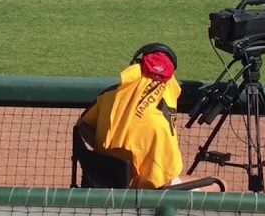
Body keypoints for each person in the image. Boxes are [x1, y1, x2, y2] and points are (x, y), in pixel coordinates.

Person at [76, 44, 221, 191]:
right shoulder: (170, 89)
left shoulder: (109, 96)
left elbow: (82, 124)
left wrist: (104, 152)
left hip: (109, 184)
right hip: (160, 192)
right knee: (219, 184)